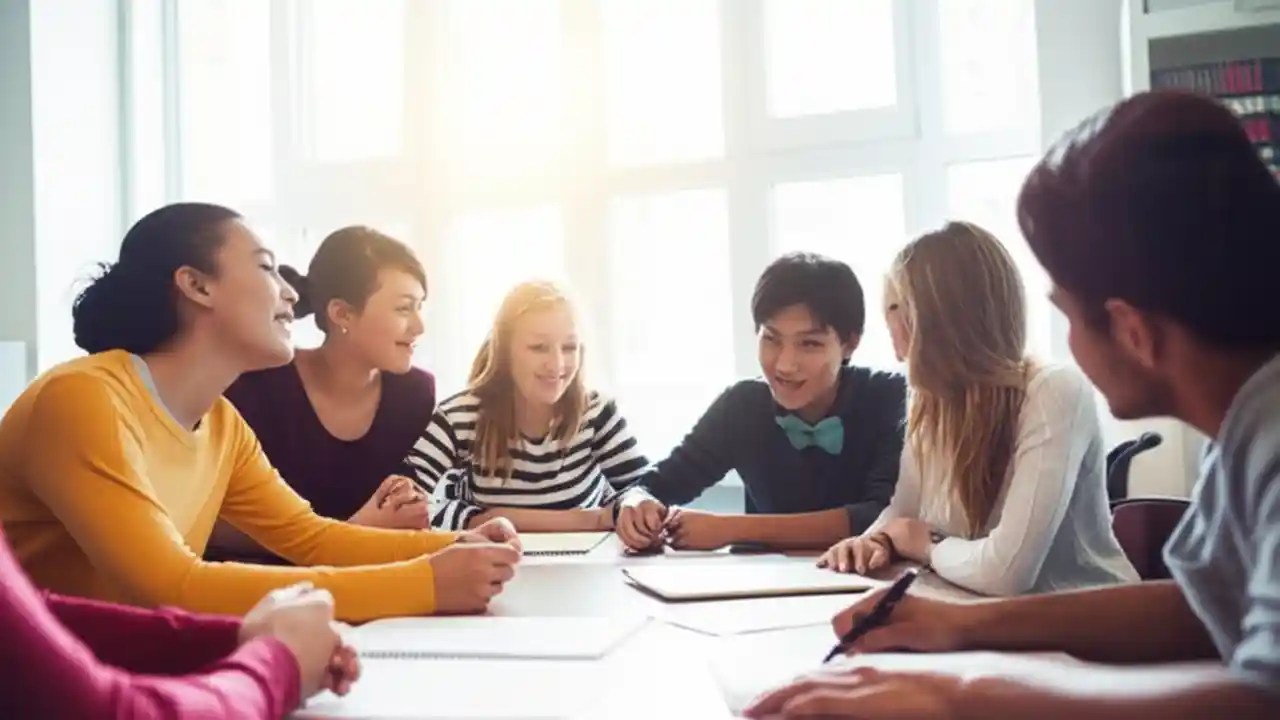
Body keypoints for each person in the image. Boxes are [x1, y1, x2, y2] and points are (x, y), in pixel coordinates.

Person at [745, 91, 1280, 719]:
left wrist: (962, 693)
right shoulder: (1245, 431)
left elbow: (1263, 699)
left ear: (1134, 332)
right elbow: (1200, 609)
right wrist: (963, 629)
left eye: (1067, 316)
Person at [0, 203, 520, 624]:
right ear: (197, 286)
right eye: (268, 268)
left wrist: (460, 543)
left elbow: (313, 536)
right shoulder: (82, 399)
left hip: (122, 667)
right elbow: (173, 586)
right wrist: (428, 582)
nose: (292, 293)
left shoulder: (222, 425)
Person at [818, 222, 1137, 596]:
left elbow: (1005, 575)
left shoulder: (1053, 391)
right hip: (980, 616)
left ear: (934, 315)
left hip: (1086, 624)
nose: (887, 324)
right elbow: (903, 514)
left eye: (893, 306)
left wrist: (922, 542)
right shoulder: (929, 400)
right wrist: (874, 542)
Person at [616, 253, 906, 552]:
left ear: (850, 343)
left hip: (865, 584)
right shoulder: (743, 406)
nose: (784, 364)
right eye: (771, 339)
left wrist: (730, 529)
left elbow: (879, 517)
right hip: (764, 587)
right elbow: (659, 483)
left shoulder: (890, 399)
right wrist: (637, 502)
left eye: (809, 344)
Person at [208, 226, 435, 564]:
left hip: (367, 576)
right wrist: (355, 530)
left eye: (420, 307)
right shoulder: (257, 384)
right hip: (262, 582)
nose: (419, 326)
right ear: (342, 313)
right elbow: (212, 522)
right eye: (403, 309)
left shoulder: (415, 394)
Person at [2, 520, 358, 717]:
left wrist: (242, 640)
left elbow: (35, 620)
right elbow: (176, 584)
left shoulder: (225, 425)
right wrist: (278, 662)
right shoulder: (74, 401)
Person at [401, 281, 650, 531]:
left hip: (587, 565)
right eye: (538, 348)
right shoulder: (461, 416)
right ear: (504, 351)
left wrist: (629, 505)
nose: (557, 365)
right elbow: (404, 502)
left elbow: (645, 492)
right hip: (491, 564)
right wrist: (479, 520)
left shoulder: (597, 413)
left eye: (569, 347)